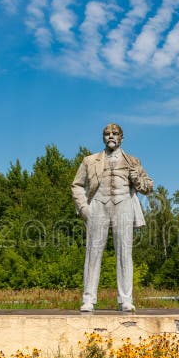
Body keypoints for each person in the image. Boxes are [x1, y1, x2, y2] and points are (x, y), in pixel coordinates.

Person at [71, 123, 153, 312]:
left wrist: (137, 179)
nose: (111, 136)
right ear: (103, 137)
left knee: (125, 253)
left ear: (122, 137)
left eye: (115, 133)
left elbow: (148, 187)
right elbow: (76, 185)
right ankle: (89, 299)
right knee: (93, 253)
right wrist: (84, 208)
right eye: (107, 134)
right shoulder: (90, 160)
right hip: (98, 205)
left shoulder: (133, 161)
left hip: (123, 205)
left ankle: (126, 299)